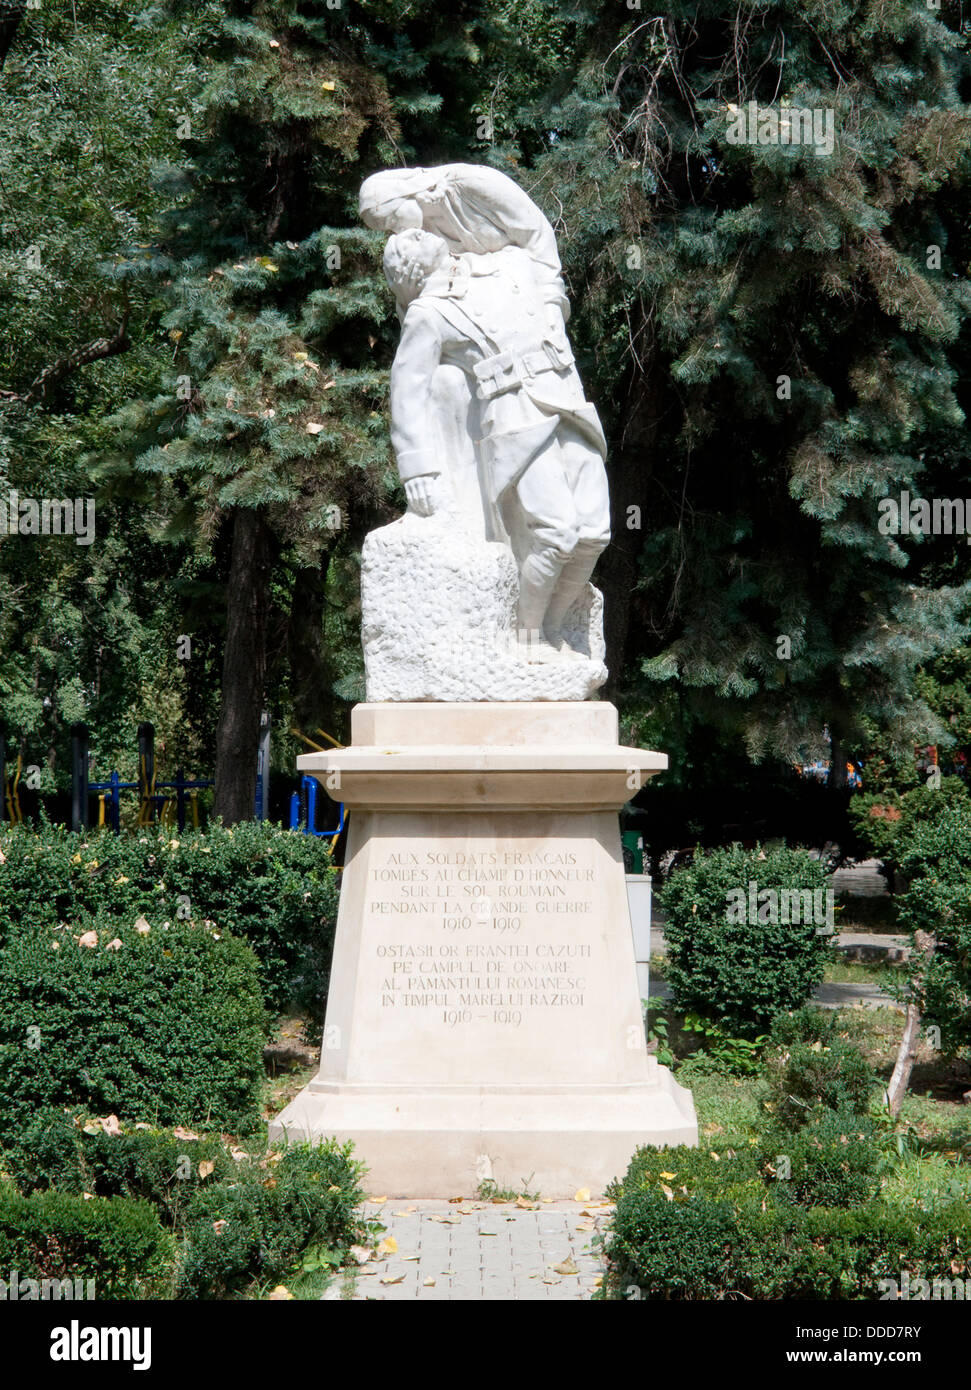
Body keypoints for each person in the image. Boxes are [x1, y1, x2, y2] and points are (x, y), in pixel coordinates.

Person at [382, 225, 610, 659]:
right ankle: (528, 637)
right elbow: (406, 389)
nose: (422, 230)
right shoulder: (426, 313)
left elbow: (533, 234)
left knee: (594, 533)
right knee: (558, 531)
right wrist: (417, 466)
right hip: (514, 416)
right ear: (408, 269)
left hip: (566, 400)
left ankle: (556, 630)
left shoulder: (499, 266)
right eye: (409, 239)